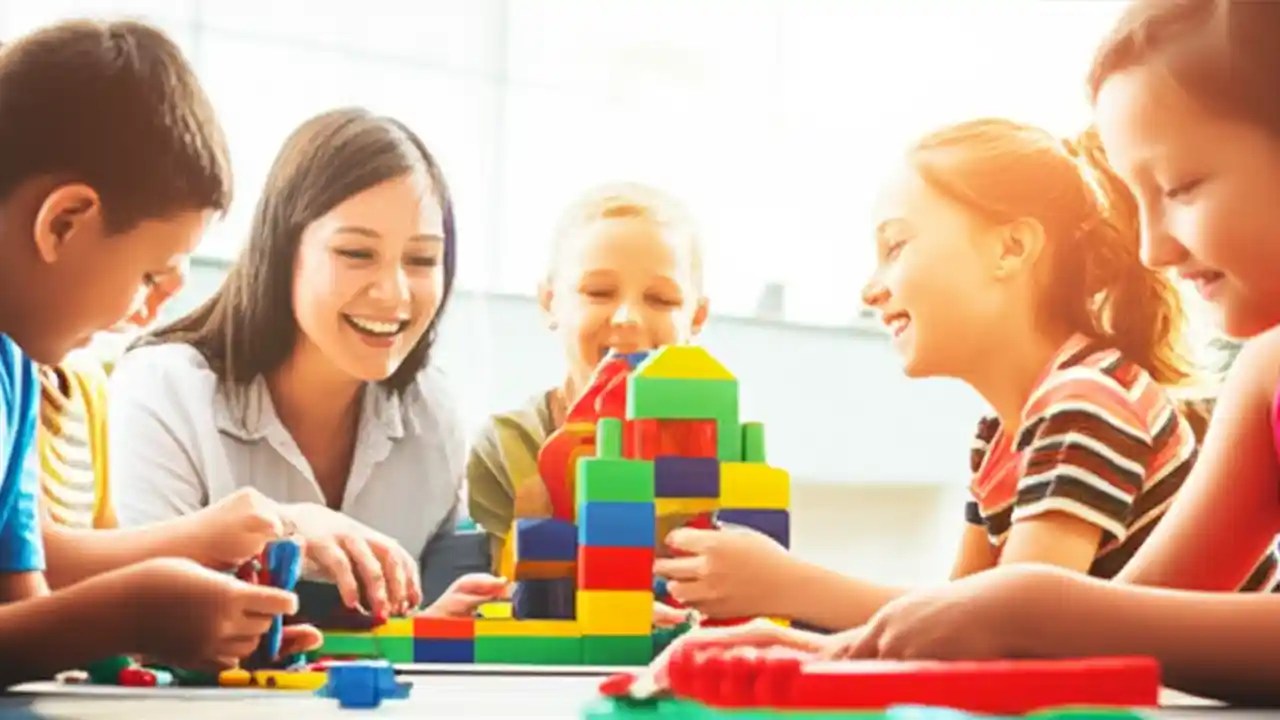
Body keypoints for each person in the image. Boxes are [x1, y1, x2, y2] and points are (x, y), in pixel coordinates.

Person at [650, 0, 1280, 706]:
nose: (1153, 250)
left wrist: (1031, 609)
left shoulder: (1092, 395)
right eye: (1141, 204)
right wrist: (831, 650)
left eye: (1183, 188)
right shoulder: (1261, 375)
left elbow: (1062, 626)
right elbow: (1099, 624)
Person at [0, 18, 320, 686]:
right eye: (149, 275)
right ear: (63, 222)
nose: (151, 308)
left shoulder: (18, 372)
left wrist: (190, 633)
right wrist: (130, 613)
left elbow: (22, 619)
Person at [109, 107, 507, 621]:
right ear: (282, 252)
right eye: (357, 254)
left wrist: (428, 630)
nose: (394, 294)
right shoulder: (166, 388)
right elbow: (154, 613)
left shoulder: (433, 411)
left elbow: (411, 625)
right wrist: (286, 530)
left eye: (422, 259)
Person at [466, 182, 710, 568]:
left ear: (696, 318)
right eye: (598, 292)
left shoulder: (718, 444)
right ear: (550, 304)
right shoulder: (509, 444)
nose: (628, 318)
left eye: (661, 300)